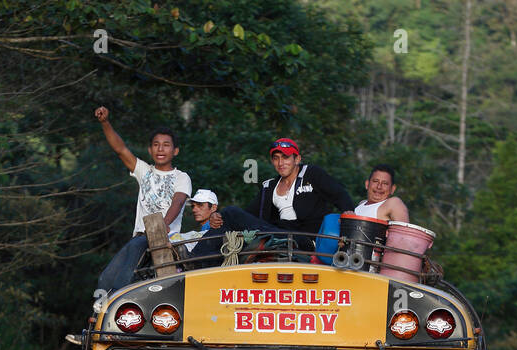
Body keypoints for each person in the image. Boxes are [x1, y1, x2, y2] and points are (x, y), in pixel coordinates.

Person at [93, 105, 191, 295]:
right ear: (150, 149)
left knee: (123, 281)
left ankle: (119, 303)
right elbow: (120, 149)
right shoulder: (144, 171)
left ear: (175, 151)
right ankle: (100, 310)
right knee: (105, 279)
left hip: (165, 237)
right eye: (156, 144)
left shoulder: (181, 177)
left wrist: (163, 224)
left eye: (166, 145)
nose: (160, 149)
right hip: (140, 237)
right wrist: (105, 122)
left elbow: (178, 202)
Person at [204, 137, 353, 254]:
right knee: (229, 214)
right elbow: (248, 214)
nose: (281, 163)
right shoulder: (270, 186)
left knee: (230, 213)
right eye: (276, 158)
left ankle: (197, 258)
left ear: (297, 159)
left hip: (305, 239)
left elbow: (339, 194)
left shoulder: (312, 174)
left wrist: (348, 212)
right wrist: (218, 216)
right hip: (276, 233)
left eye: (286, 157)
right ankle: (197, 261)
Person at [169, 189, 219, 256]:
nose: (194, 210)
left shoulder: (216, 227)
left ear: (213, 207)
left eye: (200, 205)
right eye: (193, 206)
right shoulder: (203, 229)